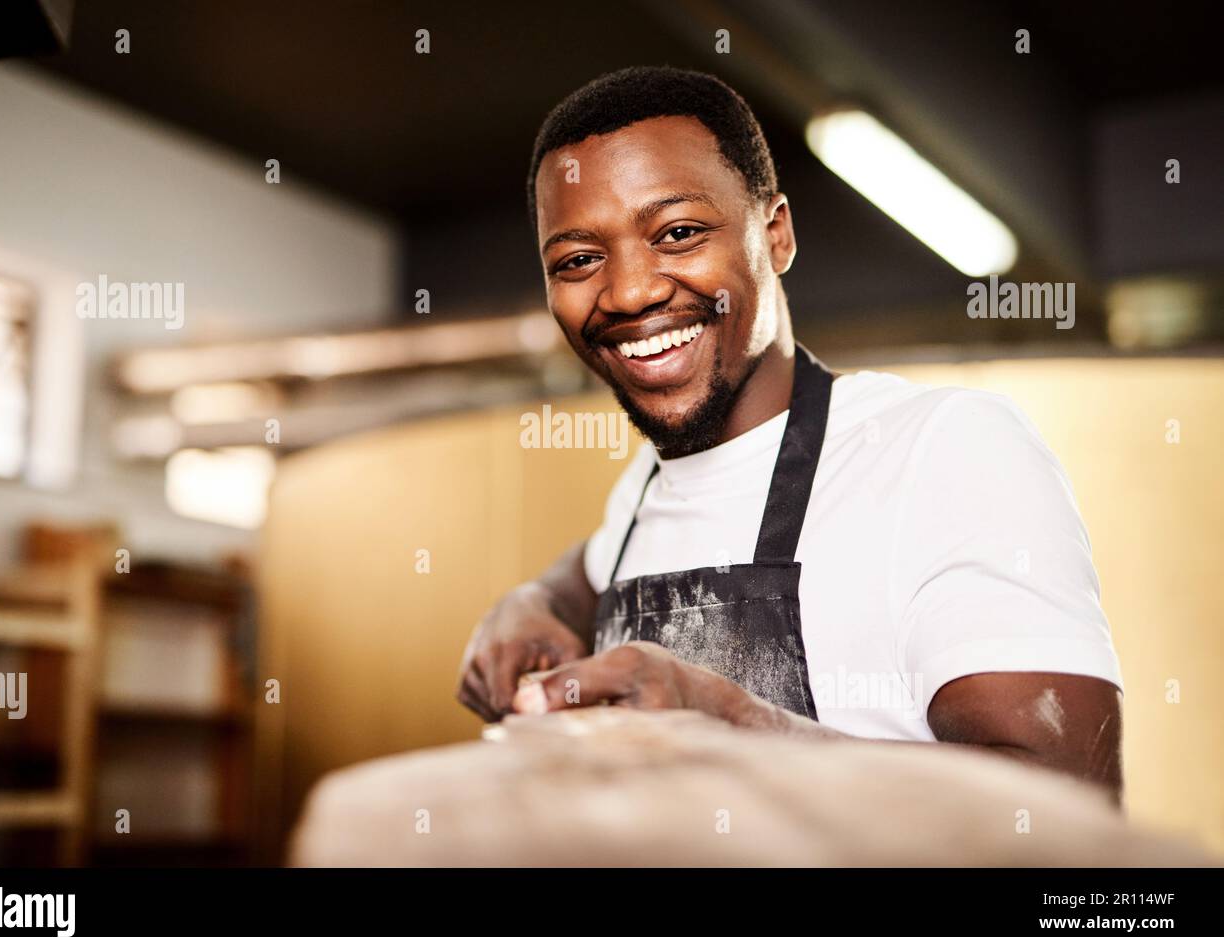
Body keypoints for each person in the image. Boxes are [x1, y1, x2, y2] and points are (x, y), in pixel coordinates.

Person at [456, 66, 1122, 800]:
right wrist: (534, 601)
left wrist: (733, 726)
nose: (630, 291)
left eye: (678, 233)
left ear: (775, 235)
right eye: (579, 260)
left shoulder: (944, 450)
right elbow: (593, 563)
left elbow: (1070, 810)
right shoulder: (644, 487)